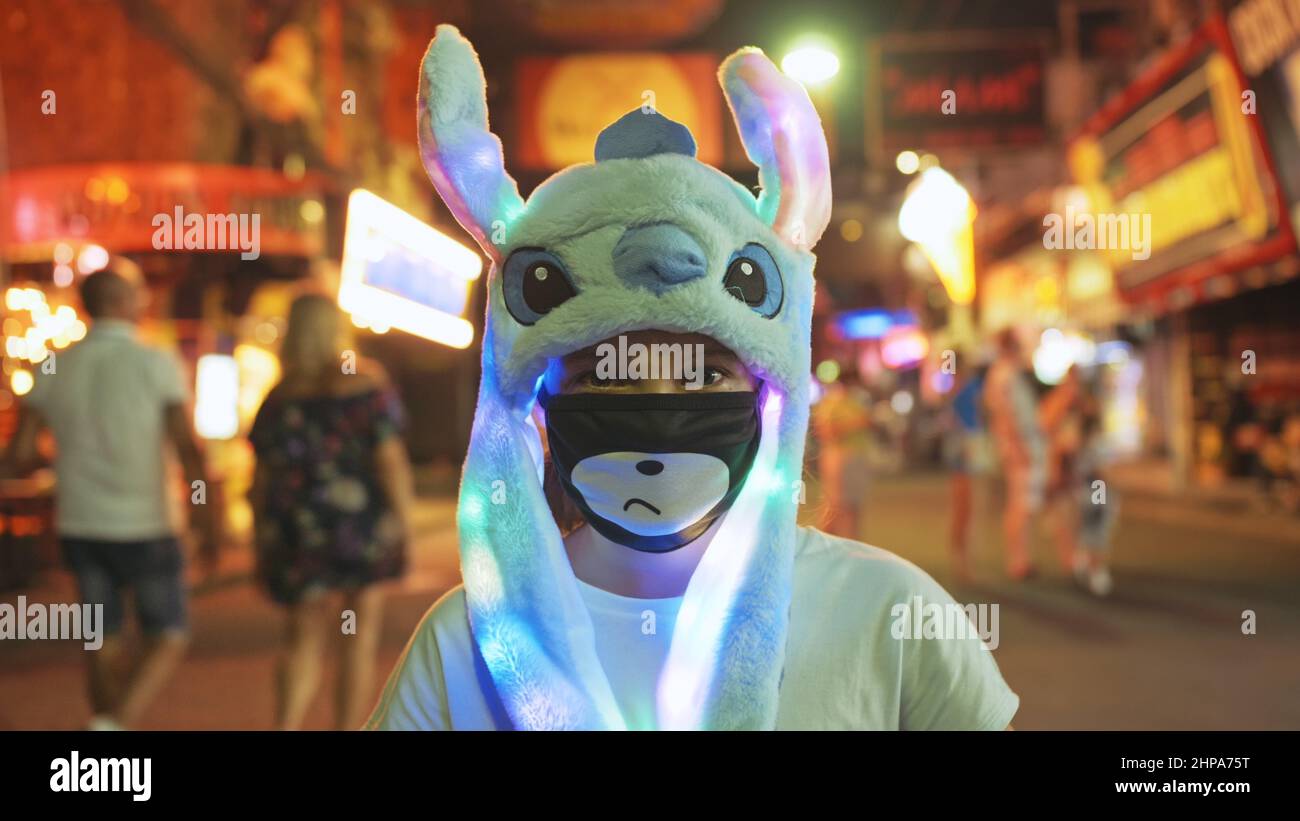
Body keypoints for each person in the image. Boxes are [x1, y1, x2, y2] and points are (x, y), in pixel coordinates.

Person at [365, 26, 1018, 730]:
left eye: (702, 370)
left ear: (769, 385)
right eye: (607, 370)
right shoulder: (464, 645)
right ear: (537, 396)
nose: (658, 401)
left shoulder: (891, 612)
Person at [2, 260, 217, 730]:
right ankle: (113, 723)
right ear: (124, 302)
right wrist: (207, 514)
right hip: (149, 520)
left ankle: (106, 734)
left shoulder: (53, 365)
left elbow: (19, 453)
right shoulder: (155, 362)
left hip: (80, 519)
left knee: (101, 634)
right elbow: (187, 446)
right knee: (169, 631)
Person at [248, 292, 414, 730]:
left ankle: (285, 725)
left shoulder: (279, 398)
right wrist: (403, 518)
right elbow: (390, 460)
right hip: (359, 525)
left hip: (299, 527)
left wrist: (259, 533)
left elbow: (262, 477)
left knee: (302, 635)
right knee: (358, 637)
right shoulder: (366, 384)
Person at [982, 328, 1046, 580]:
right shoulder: (1004, 374)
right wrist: (1016, 447)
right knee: (1020, 503)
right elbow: (1004, 415)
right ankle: (1017, 561)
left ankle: (1022, 558)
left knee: (1021, 503)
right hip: (1019, 446)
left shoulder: (1007, 373)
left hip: (1020, 445)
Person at [1039, 364, 1088, 572]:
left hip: (1076, 460)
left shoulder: (1082, 401)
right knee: (1064, 510)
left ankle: (1078, 554)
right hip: (1061, 459)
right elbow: (1044, 424)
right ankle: (1068, 556)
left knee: (1077, 509)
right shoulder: (1058, 399)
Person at [811, 378, 872, 538]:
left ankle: (851, 542)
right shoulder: (832, 403)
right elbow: (825, 431)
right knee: (836, 505)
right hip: (839, 457)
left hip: (855, 457)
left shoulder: (855, 401)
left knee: (853, 505)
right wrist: (856, 423)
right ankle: (828, 541)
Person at [943, 356, 986, 582]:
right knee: (966, 507)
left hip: (967, 449)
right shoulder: (966, 389)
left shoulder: (958, 390)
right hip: (967, 450)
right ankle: (962, 559)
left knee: (964, 507)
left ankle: (963, 558)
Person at [1073, 404, 1117, 596]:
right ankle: (1096, 572)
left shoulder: (1078, 444)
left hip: (1084, 491)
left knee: (1088, 529)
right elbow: (1102, 472)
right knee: (1097, 532)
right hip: (1097, 490)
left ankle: (1083, 561)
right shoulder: (1097, 444)